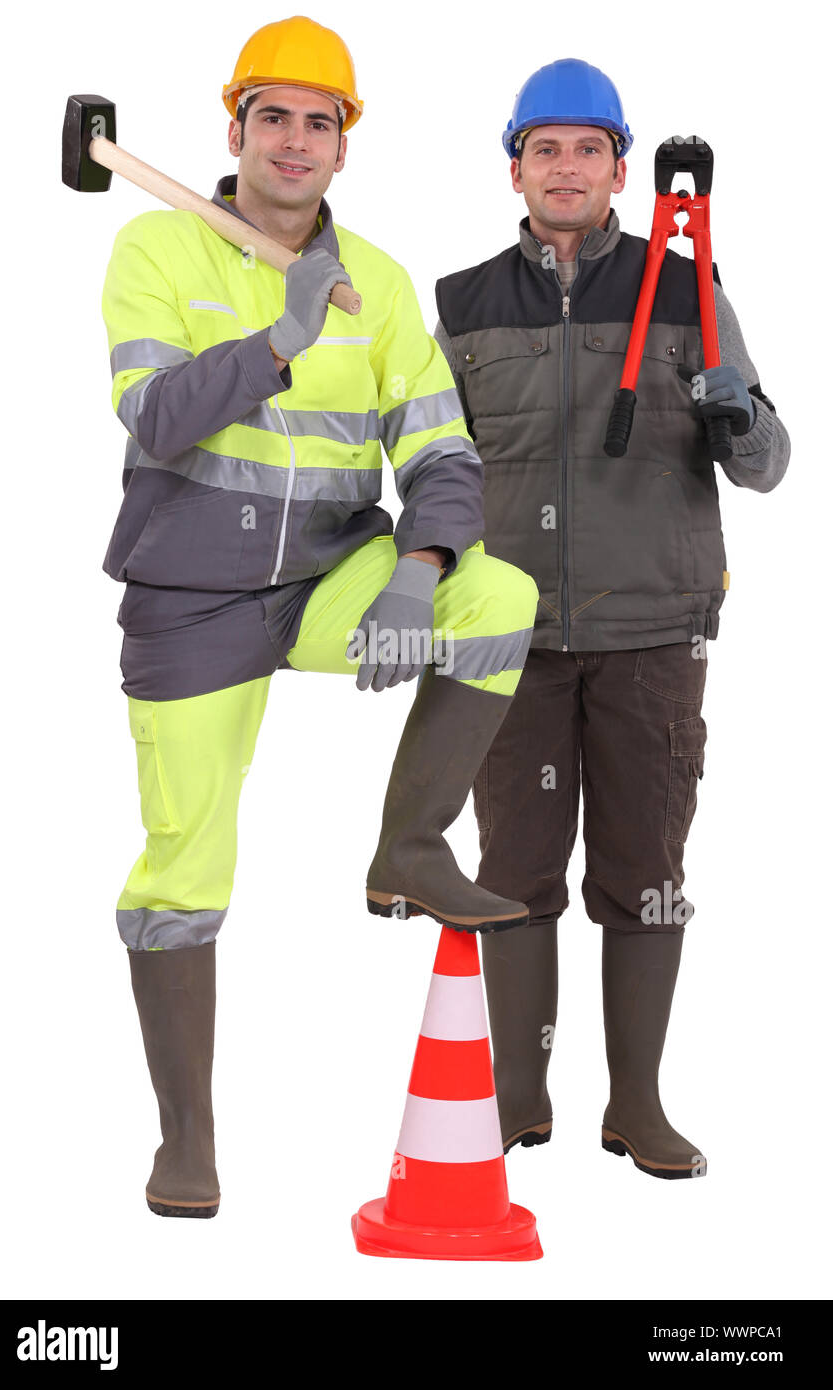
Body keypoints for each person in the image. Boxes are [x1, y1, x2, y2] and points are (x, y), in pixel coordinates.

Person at [102, 16, 539, 1217]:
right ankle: (184, 1137)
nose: (295, 141)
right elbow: (154, 419)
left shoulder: (383, 283)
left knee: (498, 590)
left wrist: (421, 564)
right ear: (233, 129)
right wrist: (282, 334)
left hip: (331, 581)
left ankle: (405, 848)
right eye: (273, 116)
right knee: (183, 863)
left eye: (320, 121)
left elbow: (440, 449)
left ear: (344, 148)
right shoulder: (156, 246)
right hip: (192, 600)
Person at [434, 58, 790, 1179]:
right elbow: (433, 466)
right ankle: (516, 1095)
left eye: (588, 148)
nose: (566, 166)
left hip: (650, 635)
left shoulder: (686, 292)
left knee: (645, 871)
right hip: (511, 636)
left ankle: (635, 1104)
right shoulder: (463, 303)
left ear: (621, 170)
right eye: (545, 148)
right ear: (514, 168)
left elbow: (768, 465)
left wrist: (733, 419)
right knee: (511, 872)